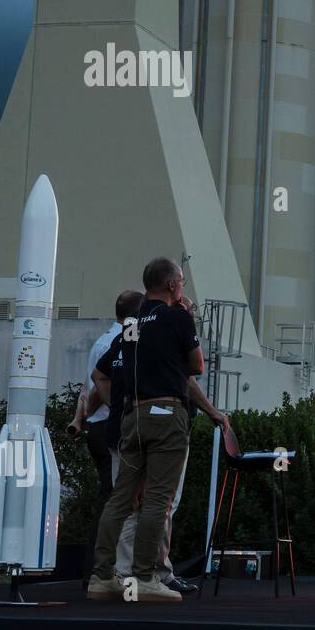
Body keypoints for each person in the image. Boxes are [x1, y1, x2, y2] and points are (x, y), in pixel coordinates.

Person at [87, 257, 226, 602]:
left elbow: (110, 370)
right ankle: (145, 578)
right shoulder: (176, 316)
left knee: (120, 498)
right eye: (181, 281)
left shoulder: (133, 324)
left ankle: (102, 576)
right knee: (158, 500)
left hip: (131, 417)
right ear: (171, 285)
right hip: (167, 413)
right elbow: (196, 365)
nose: (183, 286)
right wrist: (187, 317)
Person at [68, 289, 142, 586]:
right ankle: (101, 570)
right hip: (107, 426)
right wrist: (118, 406)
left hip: (98, 424)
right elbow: (100, 385)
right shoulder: (117, 342)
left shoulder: (106, 340)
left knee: (111, 498)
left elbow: (91, 387)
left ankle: (99, 569)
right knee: (116, 499)